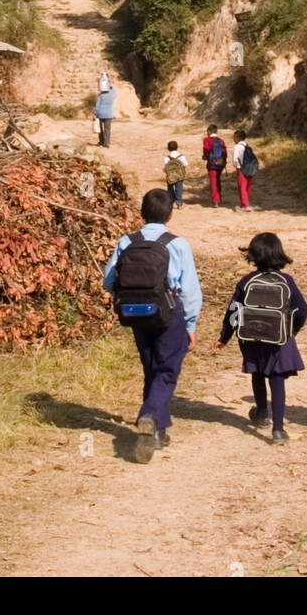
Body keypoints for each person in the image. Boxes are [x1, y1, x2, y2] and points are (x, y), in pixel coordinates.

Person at [103, 188, 202, 462]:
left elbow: (108, 281)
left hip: (135, 313)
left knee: (152, 369)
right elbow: (191, 290)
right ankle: (148, 417)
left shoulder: (126, 241)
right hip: (169, 313)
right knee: (167, 370)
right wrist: (190, 325)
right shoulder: (178, 244)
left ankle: (158, 431)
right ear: (170, 214)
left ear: (141, 214)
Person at [213, 232, 307, 445]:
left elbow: (233, 312)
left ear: (253, 255)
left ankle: (262, 413)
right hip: (279, 339)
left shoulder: (247, 281)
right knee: (277, 379)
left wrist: (224, 337)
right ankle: (279, 429)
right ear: (279, 254)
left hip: (252, 338)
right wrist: (292, 330)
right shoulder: (286, 281)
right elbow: (302, 310)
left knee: (257, 373)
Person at [232, 130, 259, 211]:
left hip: (241, 168)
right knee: (247, 186)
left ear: (238, 138)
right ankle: (246, 203)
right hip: (249, 168)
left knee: (242, 187)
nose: (234, 139)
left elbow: (236, 159)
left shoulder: (237, 147)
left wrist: (236, 166)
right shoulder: (247, 146)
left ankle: (244, 205)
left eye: (234, 137)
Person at [202, 124, 227, 206]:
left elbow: (206, 150)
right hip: (221, 163)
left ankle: (215, 201)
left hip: (212, 163)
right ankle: (219, 198)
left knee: (213, 181)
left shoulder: (207, 140)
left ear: (209, 131)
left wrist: (205, 157)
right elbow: (225, 152)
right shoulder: (221, 140)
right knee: (218, 180)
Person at [163, 140, 188, 205]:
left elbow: (165, 167)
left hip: (170, 176)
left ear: (168, 148)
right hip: (179, 175)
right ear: (177, 147)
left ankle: (171, 201)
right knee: (179, 188)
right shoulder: (181, 156)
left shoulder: (167, 158)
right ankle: (179, 202)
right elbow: (185, 164)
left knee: (170, 189)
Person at [94, 80, 117, 147]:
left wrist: (95, 113)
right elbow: (114, 89)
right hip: (109, 114)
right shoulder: (113, 93)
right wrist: (110, 85)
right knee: (107, 129)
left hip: (100, 114)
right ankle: (107, 143)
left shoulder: (101, 95)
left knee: (100, 129)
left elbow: (97, 105)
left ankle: (101, 142)